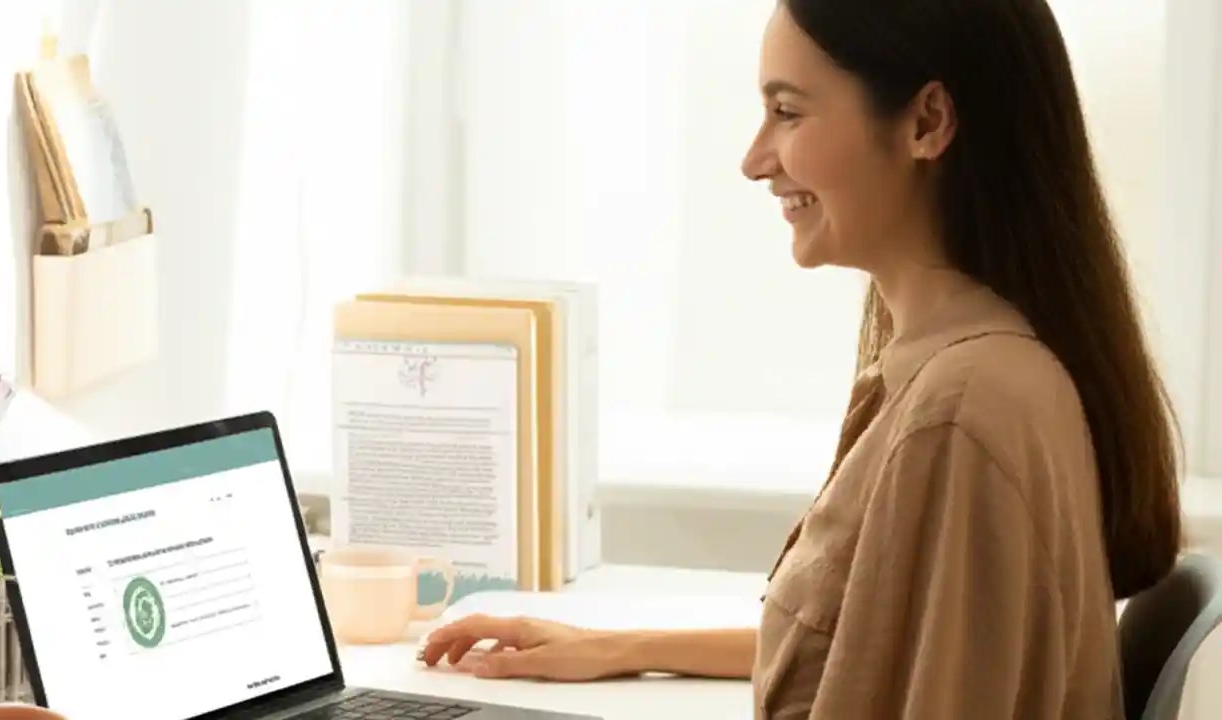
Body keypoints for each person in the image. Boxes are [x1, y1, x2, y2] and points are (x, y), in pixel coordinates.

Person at [418, 0, 1184, 717]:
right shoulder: (957, 368)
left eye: (787, 113)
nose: (755, 161)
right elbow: (876, 643)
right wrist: (615, 647)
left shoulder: (965, 404)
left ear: (928, 121)